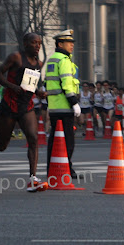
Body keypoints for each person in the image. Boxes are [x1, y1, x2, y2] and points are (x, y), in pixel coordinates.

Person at [0, 33, 49, 192]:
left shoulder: (38, 63)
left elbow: (30, 84)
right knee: (1, 145)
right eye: (34, 43)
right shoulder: (16, 57)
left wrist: (38, 92)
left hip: (26, 106)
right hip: (10, 105)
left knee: (33, 138)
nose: (37, 46)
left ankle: (33, 179)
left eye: (39, 43)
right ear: (25, 44)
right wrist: (12, 87)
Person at [44, 30, 80, 179]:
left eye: (72, 43)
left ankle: (52, 169)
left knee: (54, 141)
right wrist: (74, 103)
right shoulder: (64, 60)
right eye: (69, 43)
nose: (72, 45)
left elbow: (48, 84)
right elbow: (67, 84)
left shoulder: (52, 60)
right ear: (60, 44)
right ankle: (66, 169)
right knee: (68, 142)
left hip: (53, 108)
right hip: (65, 107)